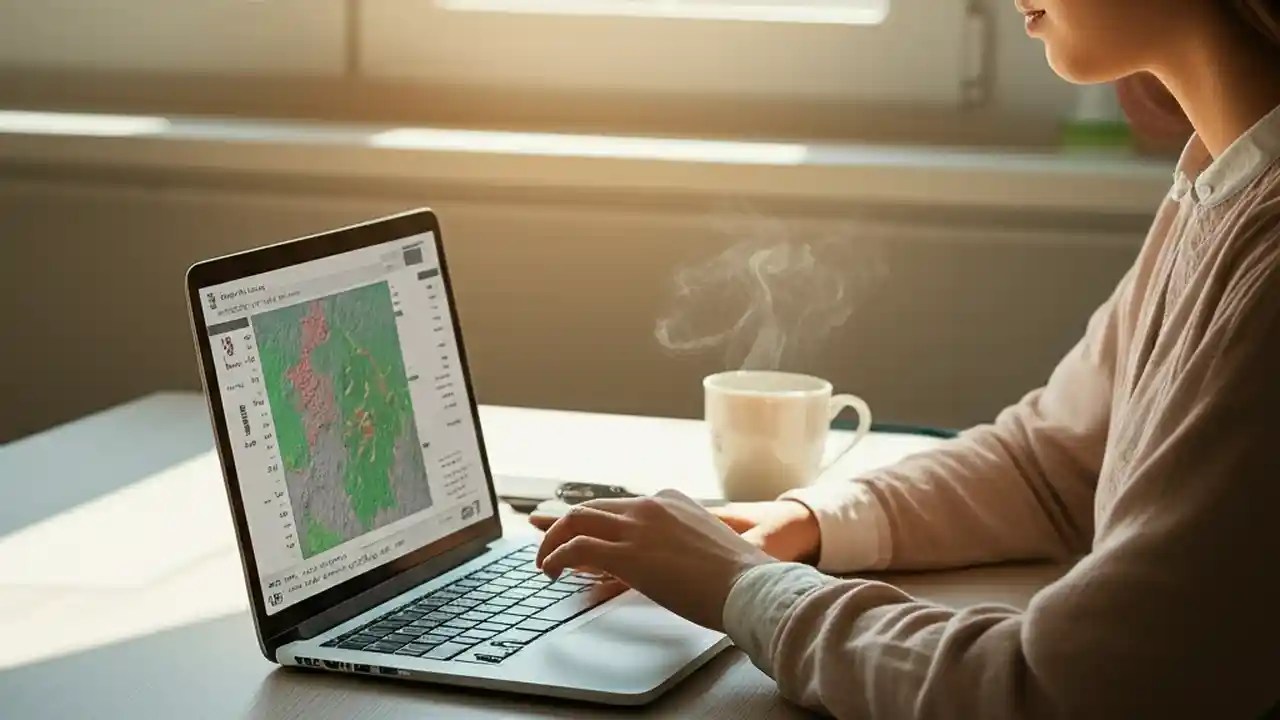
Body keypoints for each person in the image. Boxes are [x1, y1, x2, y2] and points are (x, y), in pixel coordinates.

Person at [532, 1, 1280, 716]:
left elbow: (1064, 692)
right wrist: (805, 522)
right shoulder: (1221, 182)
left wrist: (741, 586)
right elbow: (1052, 464)